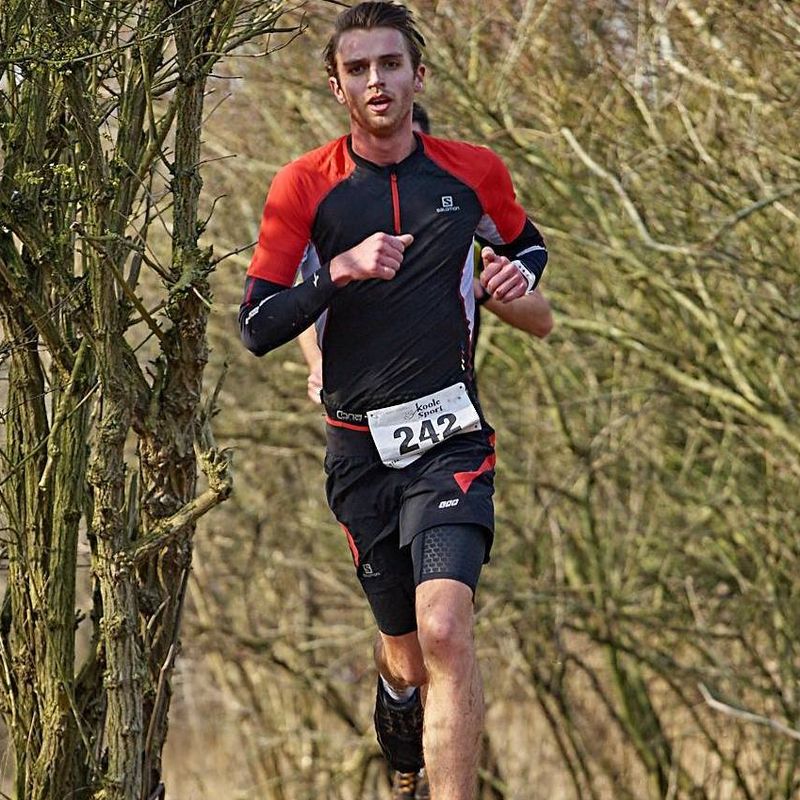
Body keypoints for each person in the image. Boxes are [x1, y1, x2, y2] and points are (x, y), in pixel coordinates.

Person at [238, 4, 548, 798]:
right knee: (408, 654)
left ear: (419, 75)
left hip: (451, 441)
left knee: (447, 628)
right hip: (359, 452)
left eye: (391, 64)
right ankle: (398, 706)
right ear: (337, 85)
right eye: (359, 68)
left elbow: (524, 242)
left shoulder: (470, 170)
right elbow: (256, 325)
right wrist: (337, 271)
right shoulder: (304, 185)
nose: (377, 80)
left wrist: (519, 278)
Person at [298, 102, 553, 405]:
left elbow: (542, 321)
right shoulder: (344, 219)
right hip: (362, 407)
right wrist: (317, 363)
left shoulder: (459, 219)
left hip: (450, 407)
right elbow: (307, 296)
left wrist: (480, 289)